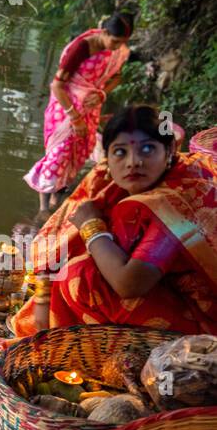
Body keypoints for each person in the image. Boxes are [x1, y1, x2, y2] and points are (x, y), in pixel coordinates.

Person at [13, 105, 217, 336]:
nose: (133, 162)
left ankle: (86, 347)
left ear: (169, 152)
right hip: (164, 289)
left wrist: (92, 228)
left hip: (204, 323)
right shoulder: (109, 181)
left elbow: (129, 284)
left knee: (82, 277)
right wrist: (42, 299)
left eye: (148, 149)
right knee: (78, 263)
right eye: (120, 152)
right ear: (107, 157)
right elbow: (58, 236)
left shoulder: (178, 199)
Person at [26, 13, 134, 213]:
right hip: (65, 107)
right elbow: (57, 86)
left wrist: (102, 93)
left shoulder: (119, 53)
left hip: (91, 106)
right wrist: (75, 118)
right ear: (104, 32)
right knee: (58, 154)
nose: (118, 47)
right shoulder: (82, 48)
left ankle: (55, 203)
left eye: (123, 43)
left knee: (78, 153)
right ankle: (42, 210)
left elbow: (117, 78)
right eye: (115, 41)